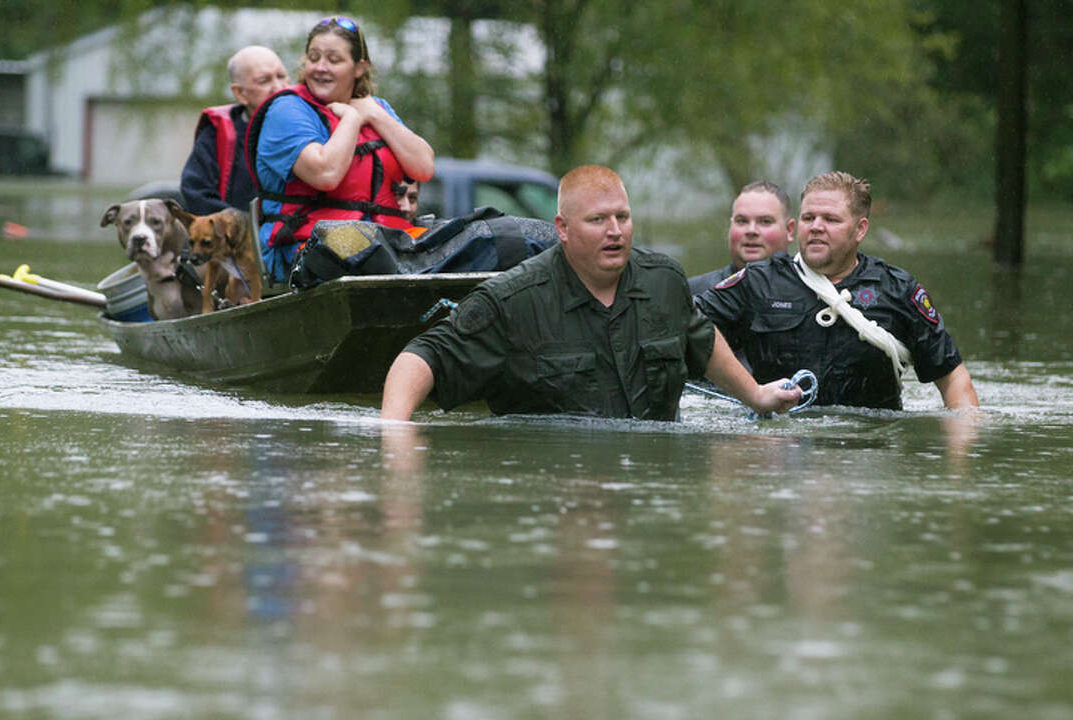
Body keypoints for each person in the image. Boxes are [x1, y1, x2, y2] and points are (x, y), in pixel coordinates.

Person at [381, 165, 802, 421]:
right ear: (562, 229)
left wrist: (756, 395)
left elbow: (702, 341)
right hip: (559, 483)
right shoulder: (515, 297)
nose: (615, 231)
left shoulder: (664, 281)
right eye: (598, 220)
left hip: (650, 484)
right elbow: (424, 355)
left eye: (623, 217)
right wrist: (394, 434)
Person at [696, 171, 979, 411]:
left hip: (870, 454)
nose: (817, 227)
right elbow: (693, 325)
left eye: (830, 219)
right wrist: (752, 395)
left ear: (860, 229)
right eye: (809, 218)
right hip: (778, 453)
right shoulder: (758, 281)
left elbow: (954, 379)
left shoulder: (897, 289)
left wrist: (960, 464)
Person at [252, 17, 434, 282]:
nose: (320, 68)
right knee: (368, 253)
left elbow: (424, 167)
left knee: (491, 237)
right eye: (314, 58)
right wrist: (351, 119)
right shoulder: (286, 110)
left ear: (359, 68)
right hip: (306, 249)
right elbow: (326, 174)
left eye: (333, 60)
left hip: (384, 243)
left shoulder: (376, 108)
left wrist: (375, 115)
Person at [180, 45, 290, 215]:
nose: (278, 87)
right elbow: (197, 193)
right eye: (264, 81)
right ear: (240, 93)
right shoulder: (217, 132)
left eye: (282, 76)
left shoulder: (308, 123)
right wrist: (242, 226)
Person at [686, 180, 796, 295]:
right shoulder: (695, 292)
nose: (751, 230)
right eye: (742, 221)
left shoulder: (809, 291)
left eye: (765, 222)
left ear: (789, 230)